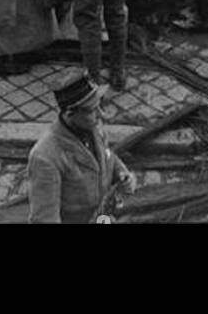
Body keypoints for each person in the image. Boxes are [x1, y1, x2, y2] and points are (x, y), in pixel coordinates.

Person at [28, 72, 136, 224]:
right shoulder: (45, 157)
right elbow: (44, 219)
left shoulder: (93, 126)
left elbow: (107, 156)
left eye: (100, 105)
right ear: (70, 113)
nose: (101, 114)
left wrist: (122, 174)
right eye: (92, 110)